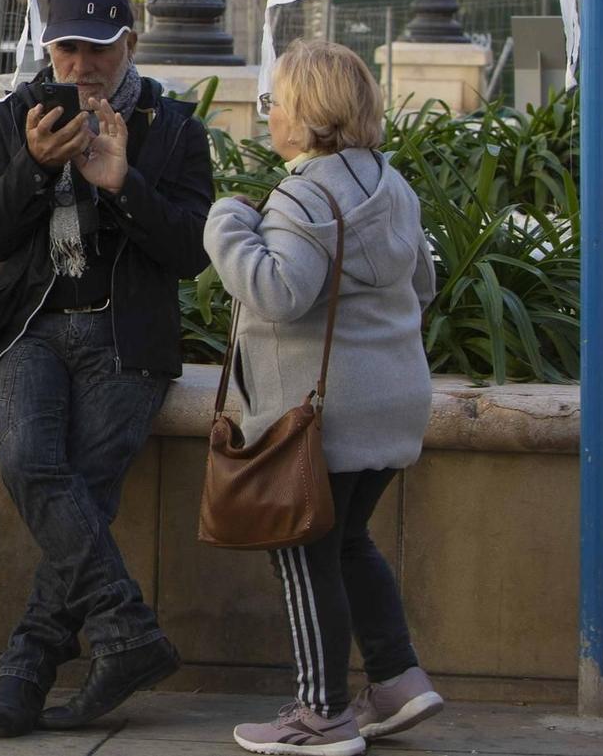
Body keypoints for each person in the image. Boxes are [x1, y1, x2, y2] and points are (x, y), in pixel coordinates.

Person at [0, 0, 214, 738]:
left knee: (88, 489)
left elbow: (191, 251)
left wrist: (124, 182)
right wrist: (36, 167)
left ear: (129, 45)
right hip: (31, 326)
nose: (82, 65)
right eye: (68, 48)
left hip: (125, 336)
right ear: (50, 49)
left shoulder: (173, 128)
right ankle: (124, 628)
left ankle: (27, 669)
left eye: (99, 49)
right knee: (29, 462)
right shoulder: (11, 119)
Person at [204, 40, 440, 756]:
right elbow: (423, 284)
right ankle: (396, 679)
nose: (269, 114)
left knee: (303, 553)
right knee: (348, 542)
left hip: (318, 418)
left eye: (275, 101)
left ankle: (321, 715)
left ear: (306, 114)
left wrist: (225, 224)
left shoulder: (303, 194)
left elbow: (278, 291)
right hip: (392, 404)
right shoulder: (390, 184)